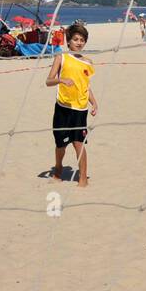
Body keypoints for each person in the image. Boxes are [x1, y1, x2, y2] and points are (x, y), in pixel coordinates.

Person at [45, 22, 97, 187]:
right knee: (61, 144)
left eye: (82, 40)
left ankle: (83, 179)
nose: (79, 42)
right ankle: (59, 169)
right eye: (76, 39)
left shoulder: (88, 62)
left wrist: (94, 103)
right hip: (63, 108)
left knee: (78, 143)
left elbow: (86, 86)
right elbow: (48, 81)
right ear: (69, 41)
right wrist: (61, 80)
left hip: (80, 109)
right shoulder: (61, 57)